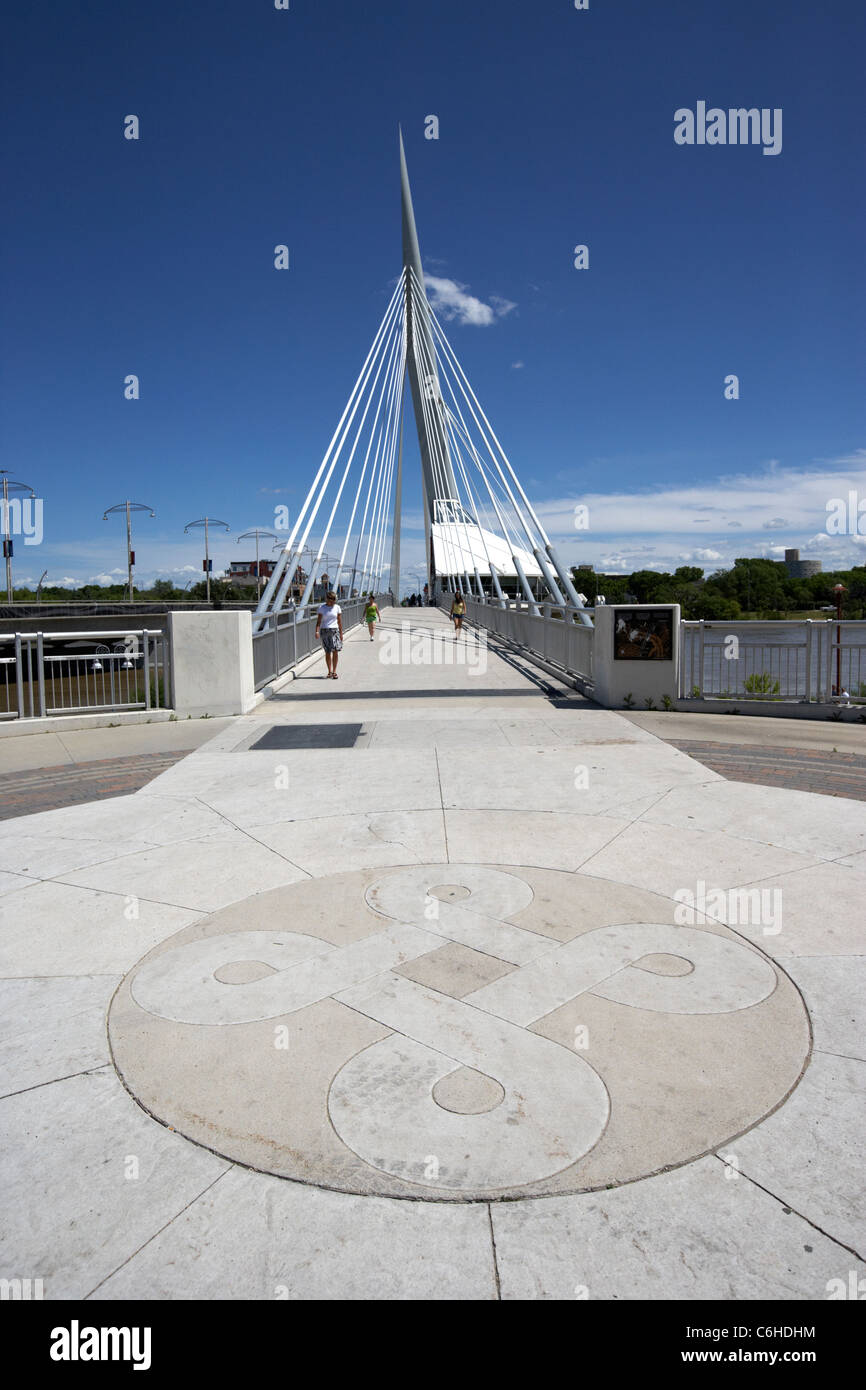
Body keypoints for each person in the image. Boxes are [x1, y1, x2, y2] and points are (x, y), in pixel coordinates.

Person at [315, 591, 344, 679]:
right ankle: (329, 671)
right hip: (325, 631)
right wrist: (316, 631)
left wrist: (341, 633)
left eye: (334, 600)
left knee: (335, 651)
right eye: (331, 600)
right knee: (327, 652)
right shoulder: (322, 608)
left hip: (335, 631)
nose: (333, 602)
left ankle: (334, 672)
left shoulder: (337, 608)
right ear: (327, 599)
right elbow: (318, 622)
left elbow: (339, 622)